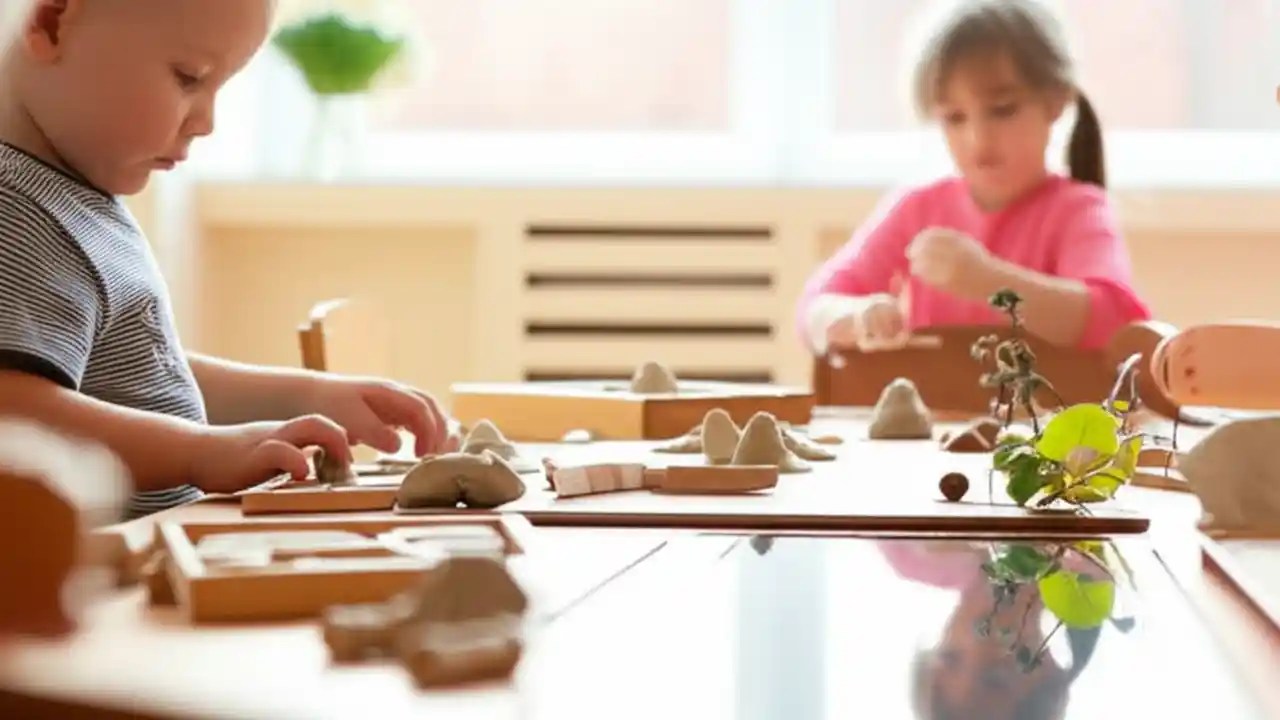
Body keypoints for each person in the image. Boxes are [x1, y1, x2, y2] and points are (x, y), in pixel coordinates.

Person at [0, 0, 451, 519]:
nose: (207, 122)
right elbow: (16, 411)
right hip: (92, 586)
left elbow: (143, 378)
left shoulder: (69, 197)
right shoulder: (13, 207)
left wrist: (303, 396)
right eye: (188, 78)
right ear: (53, 23)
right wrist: (200, 452)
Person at [797, 0, 1150, 356]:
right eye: (954, 118)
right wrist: (857, 317)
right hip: (931, 411)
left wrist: (987, 281)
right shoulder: (917, 210)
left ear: (1055, 101)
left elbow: (1114, 322)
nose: (978, 139)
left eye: (1003, 110)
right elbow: (814, 309)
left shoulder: (1078, 211)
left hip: (1043, 413)